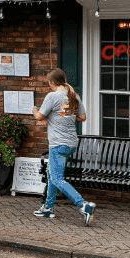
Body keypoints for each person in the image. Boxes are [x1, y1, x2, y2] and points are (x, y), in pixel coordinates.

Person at [34, 68, 94, 224]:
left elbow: (39, 117)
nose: (49, 85)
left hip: (58, 144)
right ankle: (48, 208)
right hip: (71, 143)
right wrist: (65, 115)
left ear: (52, 82)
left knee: (57, 179)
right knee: (52, 175)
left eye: (49, 82)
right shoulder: (73, 95)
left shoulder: (52, 96)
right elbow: (82, 117)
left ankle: (84, 205)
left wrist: (34, 110)